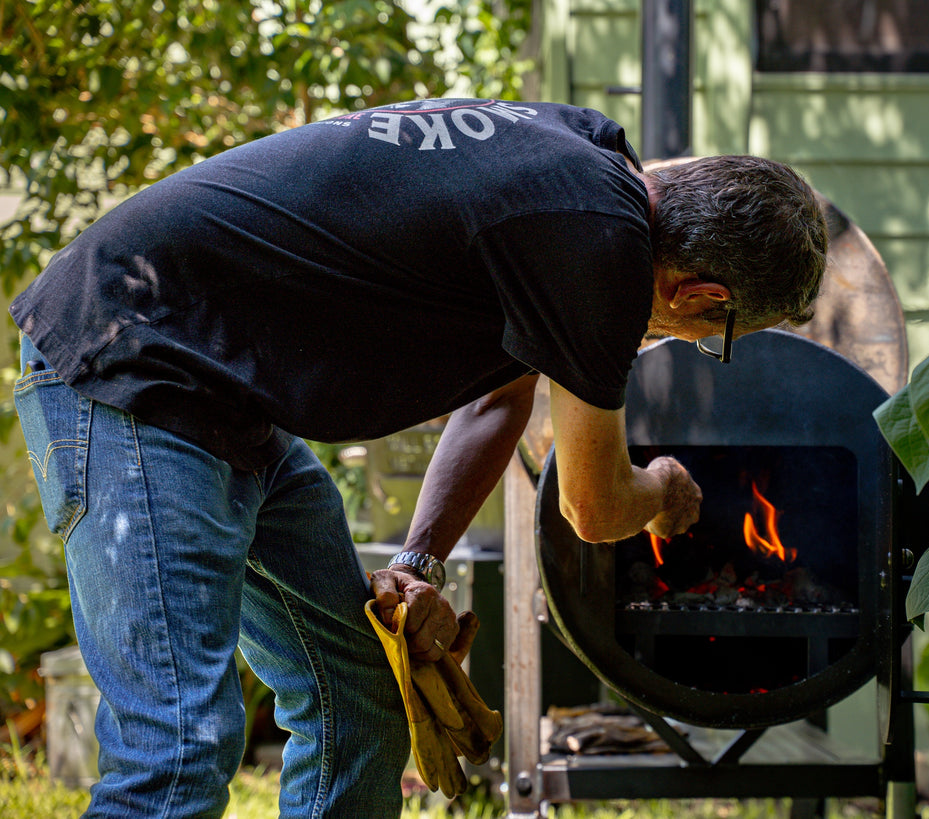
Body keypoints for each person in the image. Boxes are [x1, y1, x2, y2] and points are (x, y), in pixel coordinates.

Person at [9, 97, 827, 817]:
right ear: (701, 296)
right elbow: (595, 505)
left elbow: (498, 396)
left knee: (361, 699)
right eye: (715, 339)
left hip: (225, 398)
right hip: (131, 360)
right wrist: (664, 489)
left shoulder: (580, 169)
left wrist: (419, 561)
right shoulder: (601, 243)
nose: (692, 344)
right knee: (181, 749)